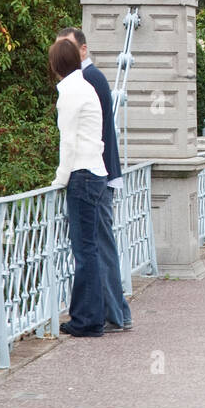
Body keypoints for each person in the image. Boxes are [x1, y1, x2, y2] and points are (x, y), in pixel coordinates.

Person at [57, 27, 132, 332]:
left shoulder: (88, 80)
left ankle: (107, 316)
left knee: (94, 248)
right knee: (98, 246)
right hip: (99, 172)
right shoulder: (90, 80)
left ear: (83, 50)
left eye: (70, 48)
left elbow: (80, 137)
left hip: (90, 173)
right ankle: (113, 314)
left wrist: (61, 177)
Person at [48, 38, 111, 337]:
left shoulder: (70, 92)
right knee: (92, 250)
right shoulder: (85, 86)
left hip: (82, 174)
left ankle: (86, 321)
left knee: (84, 251)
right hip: (96, 171)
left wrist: (60, 179)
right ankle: (90, 317)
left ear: (55, 65)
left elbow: (68, 142)